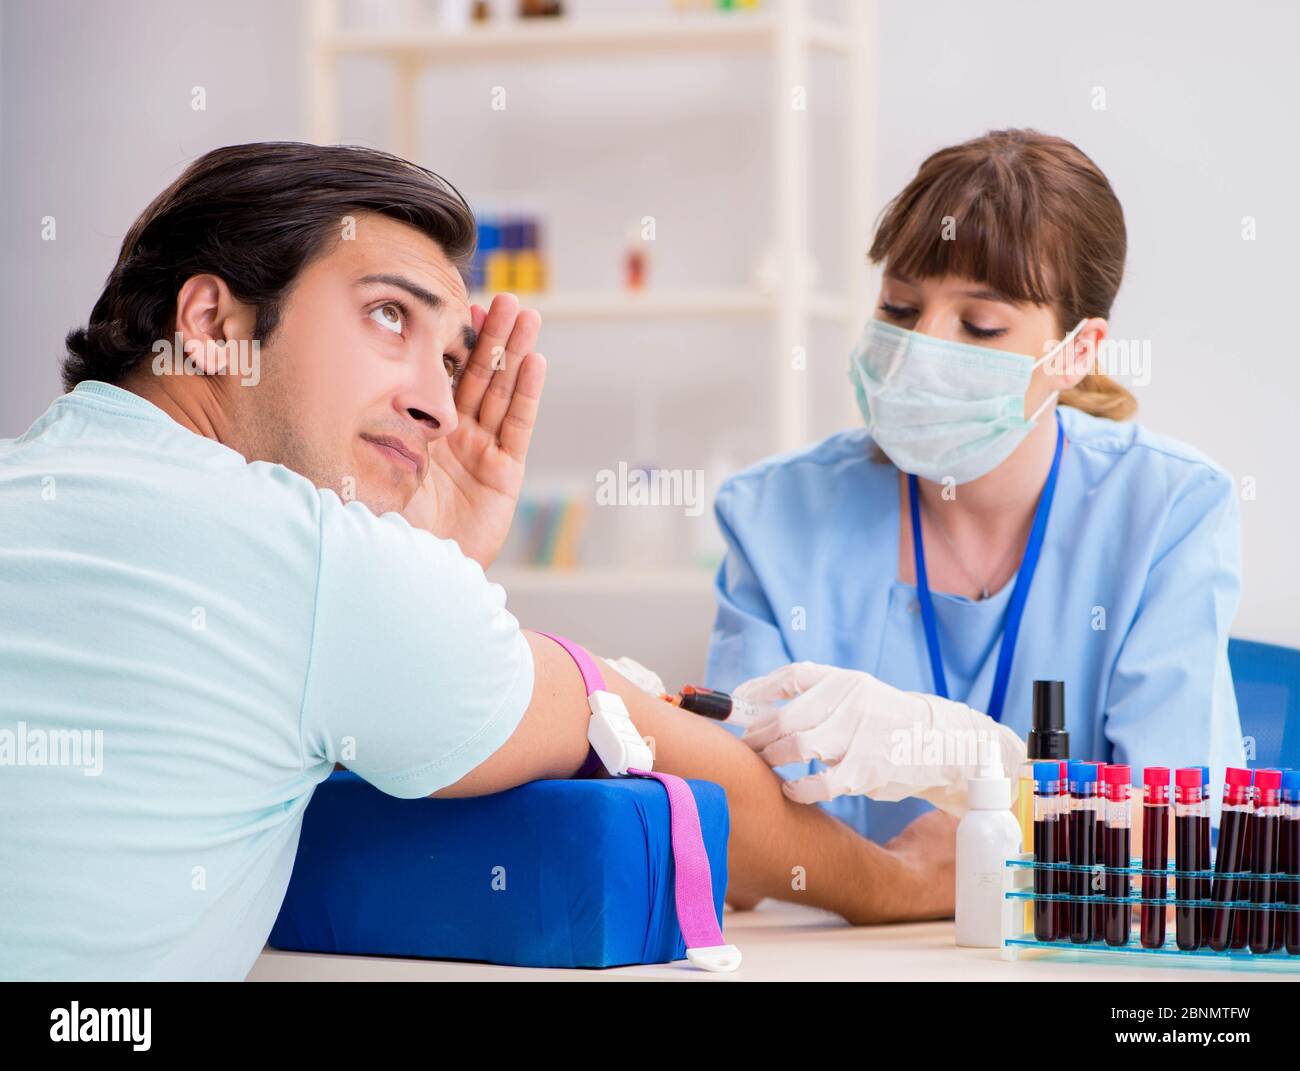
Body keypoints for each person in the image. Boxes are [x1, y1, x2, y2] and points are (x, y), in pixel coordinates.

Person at [0, 142, 954, 981]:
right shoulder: (311, 559)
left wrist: (422, 564)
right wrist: (907, 878)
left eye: (451, 361)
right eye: (386, 317)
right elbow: (649, 738)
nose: (441, 409)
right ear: (210, 322)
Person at [707, 129, 1246, 846]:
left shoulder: (1167, 512)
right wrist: (907, 883)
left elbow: (1176, 845)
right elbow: (736, 838)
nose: (921, 351)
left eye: (981, 324)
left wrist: (972, 766)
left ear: (1076, 351)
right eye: (900, 309)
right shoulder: (775, 516)